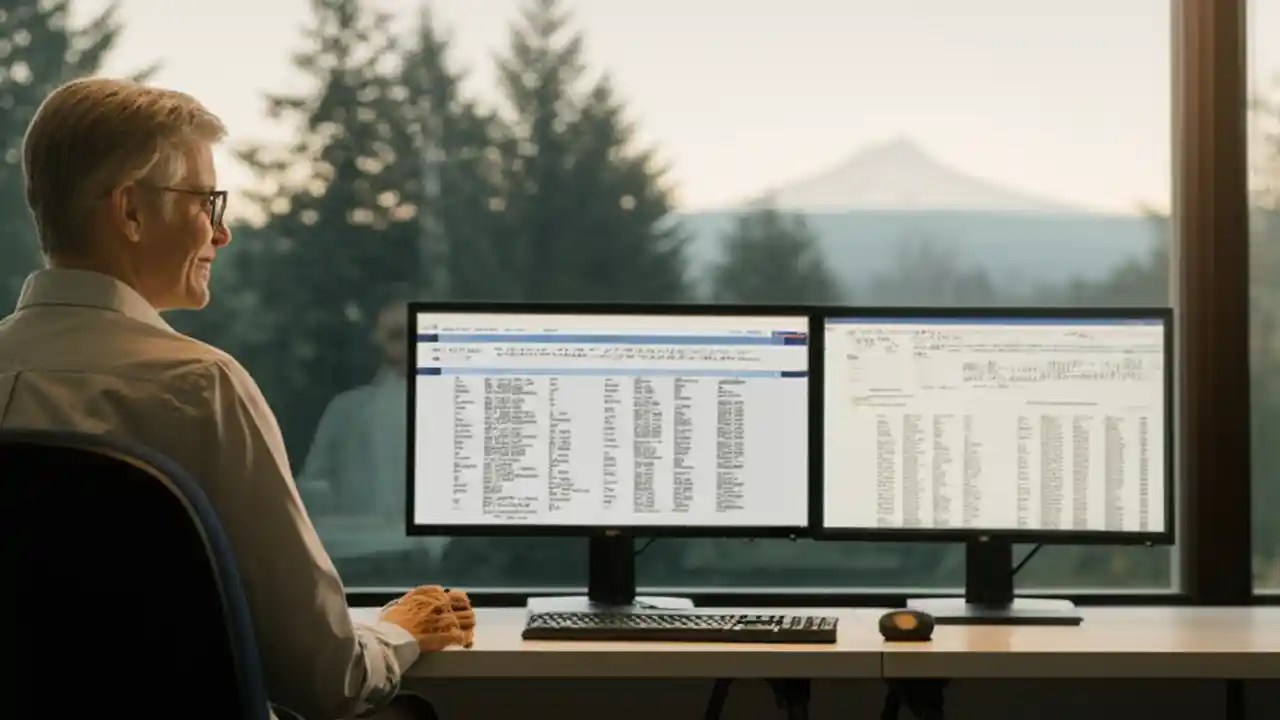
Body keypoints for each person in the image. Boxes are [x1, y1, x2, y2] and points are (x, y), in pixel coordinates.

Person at [0, 77, 471, 720]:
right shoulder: (199, 389)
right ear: (131, 211)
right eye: (206, 202)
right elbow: (325, 681)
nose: (221, 235)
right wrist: (400, 629)